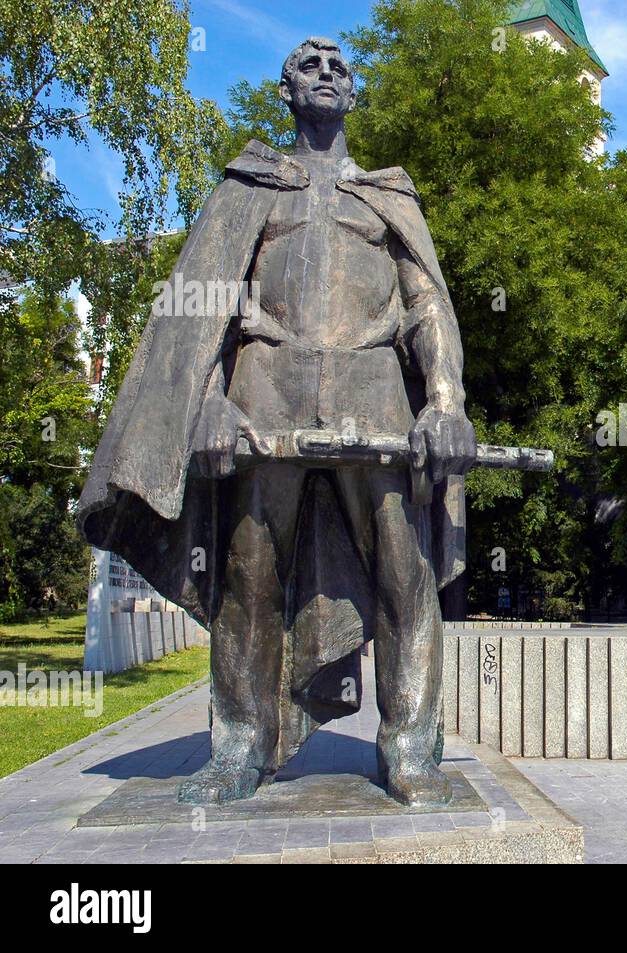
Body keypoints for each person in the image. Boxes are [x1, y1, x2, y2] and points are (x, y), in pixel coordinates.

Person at [77, 39, 476, 805]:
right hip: (266, 392)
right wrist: (207, 401)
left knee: (406, 574)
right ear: (285, 89)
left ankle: (412, 750)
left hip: (375, 392)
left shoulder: (386, 193)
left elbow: (428, 306)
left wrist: (446, 401)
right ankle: (238, 744)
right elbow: (204, 309)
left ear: (353, 93)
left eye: (339, 66)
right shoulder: (249, 187)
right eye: (309, 64)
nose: (326, 72)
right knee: (246, 577)